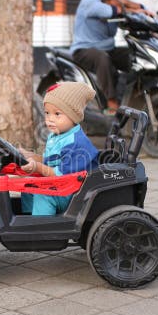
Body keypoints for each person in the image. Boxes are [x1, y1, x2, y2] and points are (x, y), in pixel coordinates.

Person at [20, 82, 100, 216]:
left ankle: (40, 229)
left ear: (73, 116)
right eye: (47, 113)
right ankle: (27, 219)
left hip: (73, 192)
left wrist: (38, 167)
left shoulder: (76, 143)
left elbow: (61, 174)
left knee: (43, 194)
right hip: (63, 184)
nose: (50, 119)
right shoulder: (57, 135)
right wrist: (29, 156)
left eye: (57, 114)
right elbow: (50, 161)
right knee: (28, 184)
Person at [70, 0, 141, 113]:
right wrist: (125, 5)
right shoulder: (89, 0)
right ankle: (112, 103)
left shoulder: (113, 0)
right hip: (84, 49)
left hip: (107, 46)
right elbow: (112, 11)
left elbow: (136, 10)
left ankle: (134, 96)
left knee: (134, 56)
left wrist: (138, 9)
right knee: (102, 58)